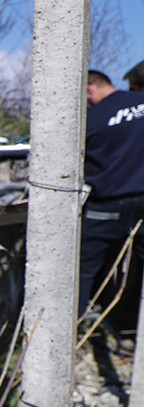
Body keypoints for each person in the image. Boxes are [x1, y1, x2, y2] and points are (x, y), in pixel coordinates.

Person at [79, 70, 144, 317]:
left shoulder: (91, 118)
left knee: (83, 269)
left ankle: (74, 329)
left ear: (89, 90)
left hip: (106, 206)